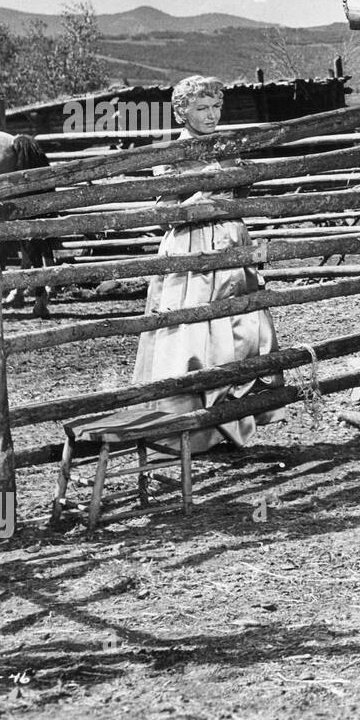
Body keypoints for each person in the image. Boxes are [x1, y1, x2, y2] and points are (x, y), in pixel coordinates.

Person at [132, 75, 284, 451]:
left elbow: (241, 192)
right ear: (183, 112)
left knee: (240, 327)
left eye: (216, 107)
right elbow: (164, 213)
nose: (211, 115)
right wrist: (196, 197)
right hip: (192, 247)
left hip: (232, 242)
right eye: (202, 108)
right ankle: (190, 425)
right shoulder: (170, 155)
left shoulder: (229, 148)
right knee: (193, 329)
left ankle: (233, 419)